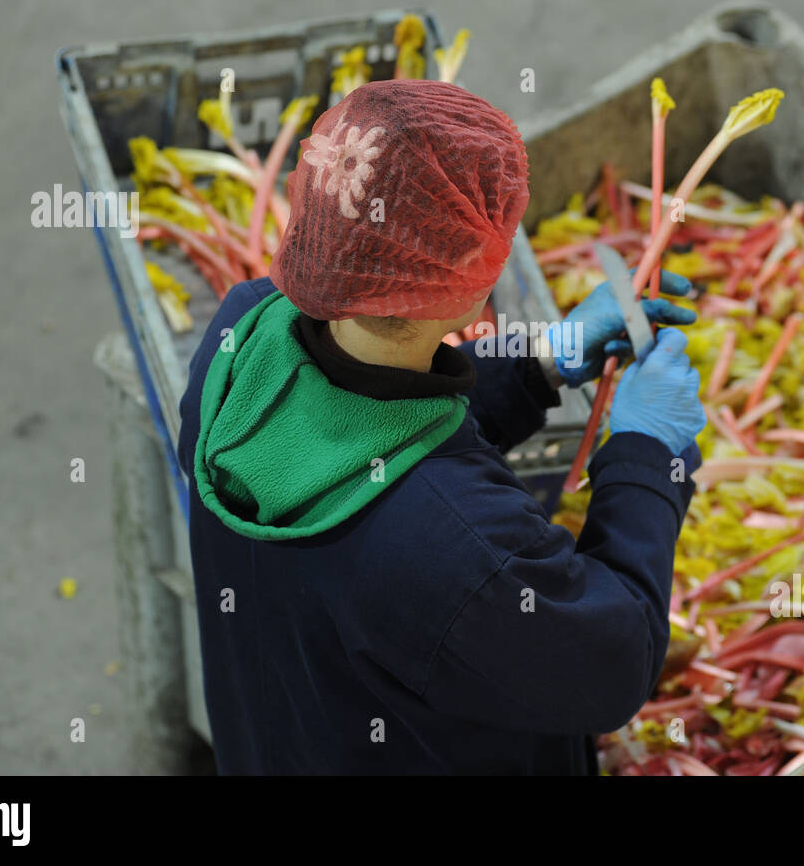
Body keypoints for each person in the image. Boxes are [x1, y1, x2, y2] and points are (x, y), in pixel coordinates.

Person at [177, 79, 707, 774]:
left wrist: (537, 362)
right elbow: (612, 663)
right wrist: (647, 453)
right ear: (467, 273)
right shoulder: (456, 545)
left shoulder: (241, 336)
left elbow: (365, 420)